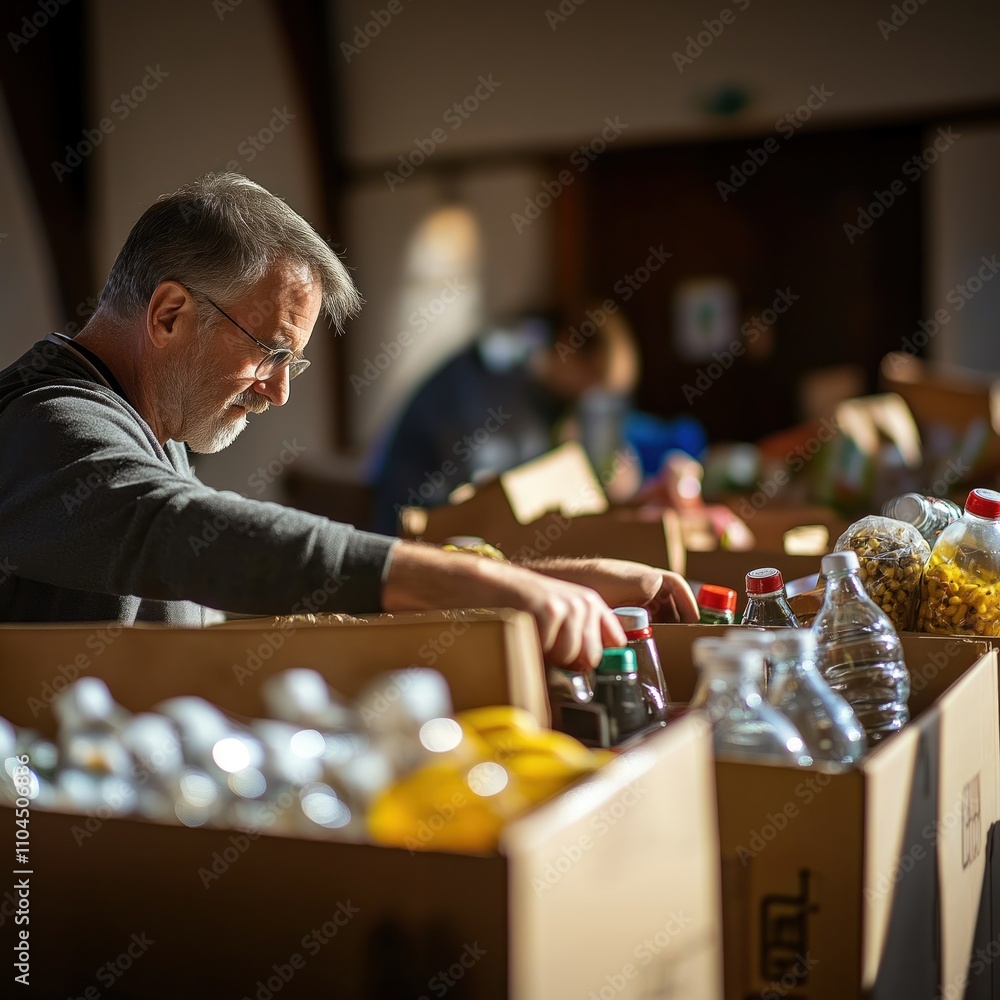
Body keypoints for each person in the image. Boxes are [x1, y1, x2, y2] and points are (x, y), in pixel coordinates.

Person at [0, 173, 698, 671]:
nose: (278, 392)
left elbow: (245, 583)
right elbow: (186, 532)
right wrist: (487, 587)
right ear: (169, 314)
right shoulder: (48, 424)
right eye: (270, 352)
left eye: (292, 362)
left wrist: (532, 581)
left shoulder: (151, 428)